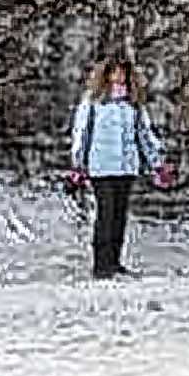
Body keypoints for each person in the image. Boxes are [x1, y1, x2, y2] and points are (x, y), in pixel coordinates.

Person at [68, 54, 169, 279]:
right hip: (101, 167)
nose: (119, 76)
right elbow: (81, 134)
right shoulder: (93, 101)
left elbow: (144, 135)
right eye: (114, 72)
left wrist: (156, 164)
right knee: (106, 213)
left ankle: (114, 262)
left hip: (126, 167)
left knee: (119, 216)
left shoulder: (132, 105)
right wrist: (78, 165)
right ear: (106, 74)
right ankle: (101, 265)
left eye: (123, 72)